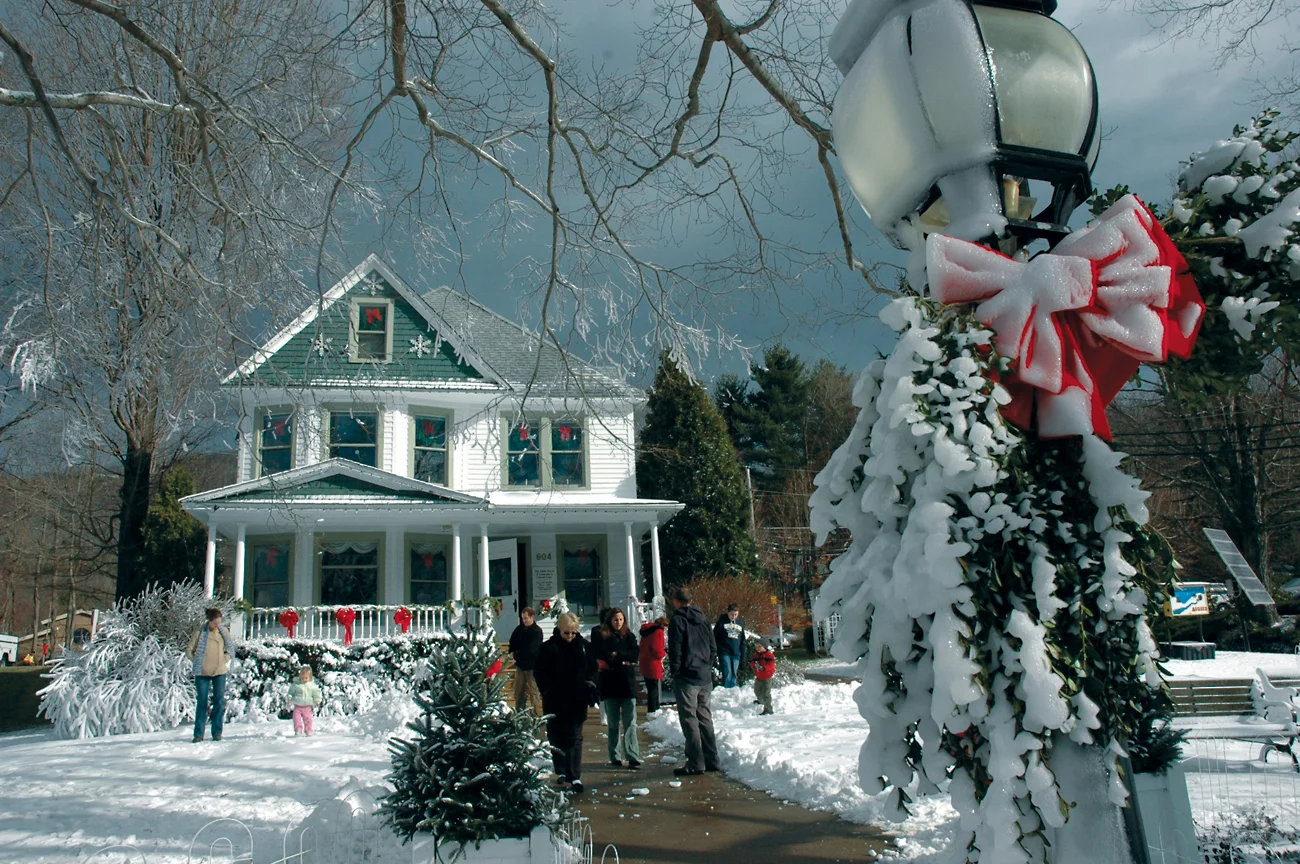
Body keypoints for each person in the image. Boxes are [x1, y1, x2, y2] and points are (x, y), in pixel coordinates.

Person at [534, 611, 597, 794]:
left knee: (575, 736)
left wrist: (590, 684)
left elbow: (592, 669)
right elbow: (540, 672)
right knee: (556, 736)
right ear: (559, 630)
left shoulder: (584, 647)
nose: (570, 636)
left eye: (573, 633)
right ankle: (561, 771)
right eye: (566, 633)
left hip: (577, 699)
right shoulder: (548, 648)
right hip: (555, 700)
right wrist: (547, 689)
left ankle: (575, 775)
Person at [667, 586, 720, 776]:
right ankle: (712, 759)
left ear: (676, 601)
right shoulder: (703, 618)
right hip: (704, 675)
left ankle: (695, 762)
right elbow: (713, 646)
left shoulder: (678, 620)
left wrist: (675, 671)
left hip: (687, 677)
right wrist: (707, 663)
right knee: (705, 718)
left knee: (689, 719)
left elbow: (675, 648)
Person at [596, 607, 640, 769]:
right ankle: (614, 756)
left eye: (621, 620)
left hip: (627, 684)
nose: (618, 623)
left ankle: (632, 755)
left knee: (630, 723)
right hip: (610, 685)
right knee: (613, 724)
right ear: (610, 621)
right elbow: (603, 656)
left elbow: (634, 654)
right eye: (615, 620)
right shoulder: (604, 637)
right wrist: (618, 658)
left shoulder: (629, 636)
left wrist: (618, 656)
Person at [186, 607, 234, 743]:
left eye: (219, 622)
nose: (217, 625)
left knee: (218, 702)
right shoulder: (200, 632)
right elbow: (189, 649)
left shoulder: (223, 632)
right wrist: (196, 661)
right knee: (202, 702)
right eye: (215, 623)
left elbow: (230, 649)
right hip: (202, 672)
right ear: (209, 621)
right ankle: (198, 734)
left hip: (219, 672)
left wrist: (224, 659)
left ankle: (217, 732)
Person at [508, 607, 544, 716]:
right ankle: (519, 713)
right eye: (523, 618)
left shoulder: (537, 631)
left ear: (532, 617)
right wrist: (512, 652)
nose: (524, 620)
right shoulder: (519, 629)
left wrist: (519, 653)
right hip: (520, 665)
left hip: (532, 665)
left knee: (534, 692)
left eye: (526, 618)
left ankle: (535, 714)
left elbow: (533, 648)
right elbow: (512, 641)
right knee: (518, 691)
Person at [638, 615, 668, 716]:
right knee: (654, 687)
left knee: (650, 687)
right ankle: (654, 709)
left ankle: (653, 709)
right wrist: (664, 653)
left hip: (645, 661)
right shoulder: (658, 632)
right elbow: (657, 649)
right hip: (653, 663)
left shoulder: (647, 631)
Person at [714, 604, 746, 688]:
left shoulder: (740, 623)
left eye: (735, 614)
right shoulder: (722, 622)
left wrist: (743, 655)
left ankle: (732, 690)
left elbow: (742, 640)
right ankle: (726, 689)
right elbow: (714, 636)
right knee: (727, 671)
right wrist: (717, 649)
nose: (733, 616)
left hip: (736, 652)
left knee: (734, 672)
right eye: (732, 614)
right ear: (728, 613)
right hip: (725, 651)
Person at [288, 665, 323, 736]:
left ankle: (308, 730)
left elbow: (316, 693)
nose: (304, 680)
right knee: (296, 719)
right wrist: (289, 699)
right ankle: (298, 730)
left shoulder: (312, 685)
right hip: (297, 706)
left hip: (307, 706)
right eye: (302, 678)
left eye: (306, 678)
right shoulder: (296, 685)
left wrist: (317, 700)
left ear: (310, 677)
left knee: (308, 720)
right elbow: (291, 692)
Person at [750, 640, 776, 715]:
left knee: (766, 693)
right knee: (757, 690)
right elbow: (752, 663)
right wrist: (754, 666)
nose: (757, 648)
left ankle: (768, 709)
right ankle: (761, 700)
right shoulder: (756, 656)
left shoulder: (769, 655)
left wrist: (763, 668)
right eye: (756, 647)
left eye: (759, 646)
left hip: (767, 677)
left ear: (764, 647)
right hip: (759, 676)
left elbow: (771, 665)